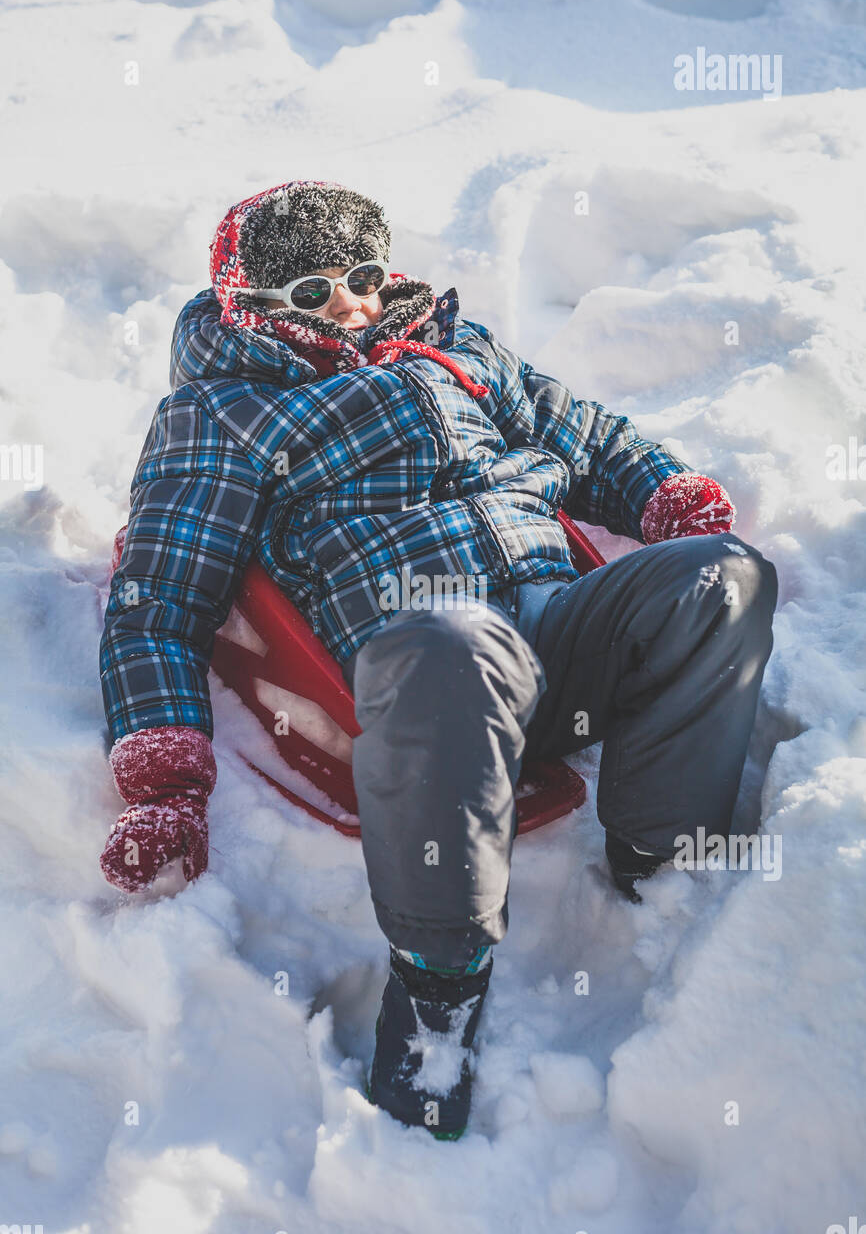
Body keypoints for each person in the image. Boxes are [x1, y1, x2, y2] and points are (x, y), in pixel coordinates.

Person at [98, 179, 778, 1139]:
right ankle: (438, 986)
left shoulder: (454, 347)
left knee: (724, 579)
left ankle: (664, 873)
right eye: (311, 293)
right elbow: (157, 600)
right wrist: (162, 775)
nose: (352, 305)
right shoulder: (221, 414)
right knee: (455, 641)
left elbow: (577, 433)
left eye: (365, 276)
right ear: (251, 306)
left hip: (559, 624)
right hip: (430, 655)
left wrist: (662, 492)